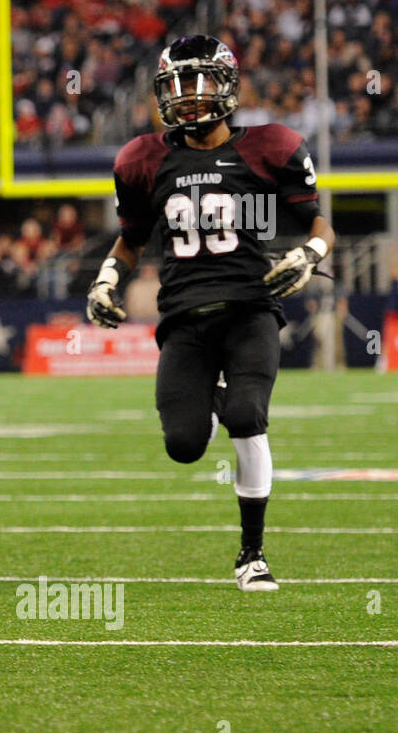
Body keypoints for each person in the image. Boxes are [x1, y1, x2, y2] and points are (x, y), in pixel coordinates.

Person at [85, 34, 335, 592]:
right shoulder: (142, 158)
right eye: (176, 84)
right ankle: (216, 395)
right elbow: (130, 239)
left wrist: (309, 254)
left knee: (247, 417)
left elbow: (320, 223)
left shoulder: (271, 146)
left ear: (226, 85)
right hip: (184, 319)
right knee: (183, 444)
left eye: (198, 82)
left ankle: (252, 554)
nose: (187, 96)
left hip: (251, 308)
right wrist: (106, 280)